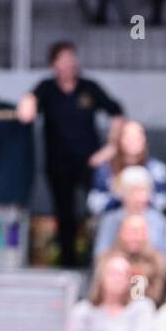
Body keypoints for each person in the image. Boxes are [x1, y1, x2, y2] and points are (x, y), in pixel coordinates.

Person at [17, 41, 124, 266]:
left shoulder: (89, 88)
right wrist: (28, 102)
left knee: (100, 207)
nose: (68, 64)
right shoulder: (47, 88)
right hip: (58, 163)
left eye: (71, 58)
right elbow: (27, 111)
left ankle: (102, 258)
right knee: (64, 212)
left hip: (90, 161)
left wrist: (111, 147)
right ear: (53, 64)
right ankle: (68, 261)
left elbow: (116, 111)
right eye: (62, 59)